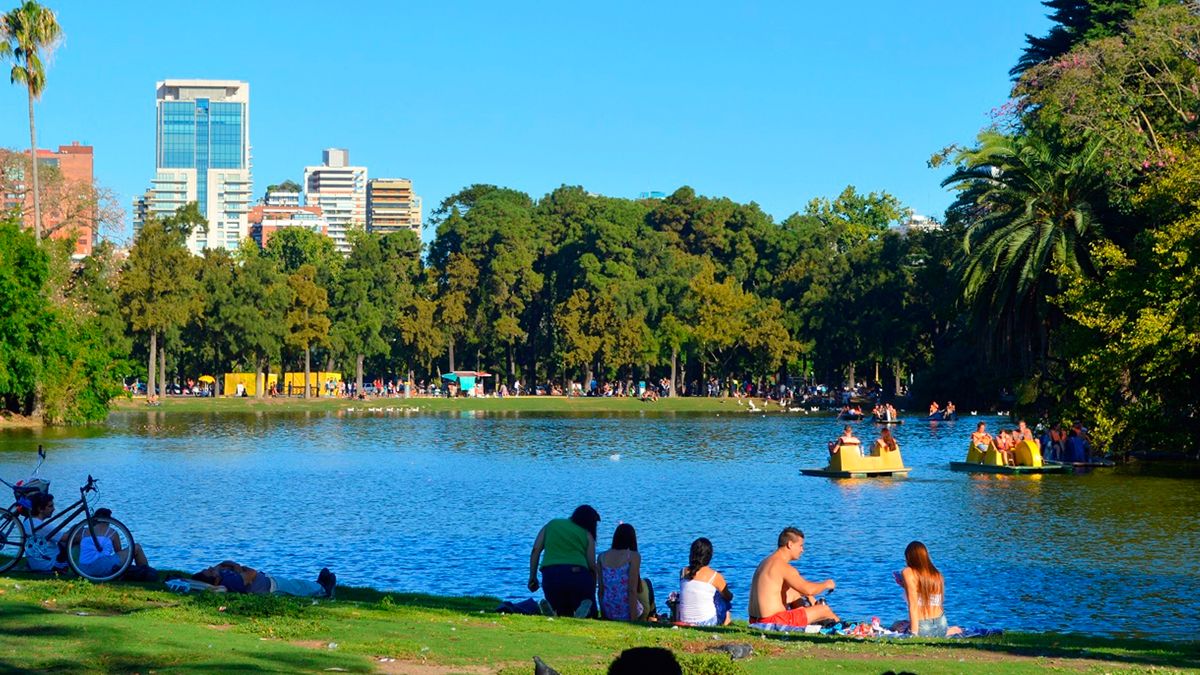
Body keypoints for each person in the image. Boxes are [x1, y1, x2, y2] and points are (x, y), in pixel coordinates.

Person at [748, 527, 838, 627]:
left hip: (755, 620)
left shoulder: (766, 562)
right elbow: (808, 590)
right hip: (772, 621)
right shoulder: (783, 566)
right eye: (800, 546)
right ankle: (844, 629)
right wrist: (826, 584)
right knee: (824, 610)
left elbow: (802, 592)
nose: (802, 550)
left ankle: (815, 620)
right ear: (790, 544)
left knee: (794, 592)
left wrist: (810, 599)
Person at [528, 505, 600, 618]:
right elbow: (592, 566)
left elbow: (535, 551)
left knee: (561, 609)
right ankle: (585, 613)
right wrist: (593, 588)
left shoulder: (552, 525)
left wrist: (532, 577)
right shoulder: (587, 534)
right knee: (589, 608)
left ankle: (554, 610)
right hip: (578, 575)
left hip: (551, 575)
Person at [891, 541, 962, 637]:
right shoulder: (937, 574)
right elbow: (930, 599)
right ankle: (947, 631)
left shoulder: (908, 572)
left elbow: (913, 606)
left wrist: (913, 634)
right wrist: (905, 586)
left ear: (909, 557)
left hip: (923, 627)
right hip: (942, 625)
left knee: (896, 625)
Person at [76, 507, 155, 581]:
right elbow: (118, 552)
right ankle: (146, 573)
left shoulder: (83, 531)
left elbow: (69, 539)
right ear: (109, 520)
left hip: (83, 570)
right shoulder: (112, 532)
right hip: (103, 567)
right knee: (137, 547)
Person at [597, 523, 655, 621]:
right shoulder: (633, 556)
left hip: (609, 610)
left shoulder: (601, 557)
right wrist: (633, 620)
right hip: (625, 610)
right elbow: (632, 590)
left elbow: (601, 590)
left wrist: (604, 615)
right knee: (646, 591)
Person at [192, 561, 336, 598]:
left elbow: (225, 563)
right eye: (210, 571)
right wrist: (239, 569)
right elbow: (252, 574)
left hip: (268, 581)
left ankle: (318, 585)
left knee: (295, 583)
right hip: (271, 587)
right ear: (215, 580)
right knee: (296, 588)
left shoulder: (222, 576)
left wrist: (223, 567)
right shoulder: (230, 581)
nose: (211, 568)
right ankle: (324, 590)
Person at [676, 537, 732, 626]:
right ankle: (727, 620)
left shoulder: (683, 572)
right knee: (720, 595)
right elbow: (728, 597)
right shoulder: (715, 576)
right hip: (706, 622)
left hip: (684, 620)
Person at [21, 492, 67, 573]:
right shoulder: (42, 526)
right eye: (50, 506)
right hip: (50, 565)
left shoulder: (27, 521)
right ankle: (85, 571)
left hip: (36, 563)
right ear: (40, 509)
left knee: (72, 532)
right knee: (77, 540)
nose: (54, 509)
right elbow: (67, 538)